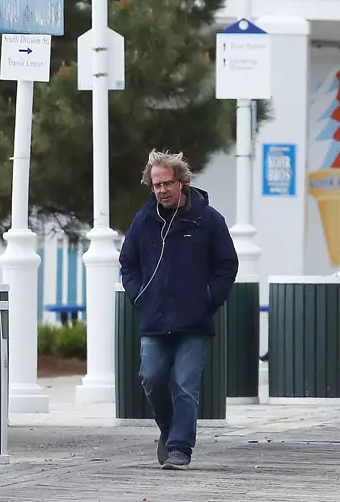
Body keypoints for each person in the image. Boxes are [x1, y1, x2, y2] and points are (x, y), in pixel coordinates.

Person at [118, 149, 237, 470]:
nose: (161, 191)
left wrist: (210, 297)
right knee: (152, 378)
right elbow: (127, 263)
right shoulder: (144, 220)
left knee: (186, 384)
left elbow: (227, 265)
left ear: (182, 182)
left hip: (194, 319)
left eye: (166, 184)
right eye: (155, 185)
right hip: (154, 317)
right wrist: (137, 294)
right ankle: (170, 431)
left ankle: (180, 449)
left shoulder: (208, 220)